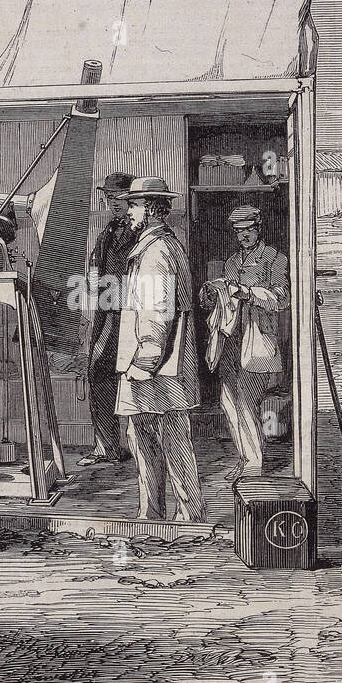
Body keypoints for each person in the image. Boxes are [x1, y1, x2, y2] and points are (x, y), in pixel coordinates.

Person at [113, 176, 205, 523]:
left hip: (155, 365)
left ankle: (183, 516)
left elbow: (157, 310)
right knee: (154, 437)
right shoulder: (162, 245)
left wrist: (145, 359)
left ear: (150, 209)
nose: (129, 212)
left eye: (134, 205)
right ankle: (158, 512)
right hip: (162, 364)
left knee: (161, 438)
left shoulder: (155, 251)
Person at [201, 205, 289, 481]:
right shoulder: (231, 263)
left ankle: (253, 462)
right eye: (239, 232)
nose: (243, 237)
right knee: (230, 404)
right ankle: (244, 457)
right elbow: (224, 300)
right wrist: (211, 295)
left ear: (258, 228)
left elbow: (281, 298)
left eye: (248, 230)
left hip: (257, 339)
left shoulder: (275, 259)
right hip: (230, 340)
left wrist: (247, 293)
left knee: (248, 403)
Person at [78, 172, 138, 467]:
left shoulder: (139, 232)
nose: (113, 202)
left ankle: (125, 448)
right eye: (109, 197)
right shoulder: (110, 230)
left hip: (129, 316)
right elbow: (94, 262)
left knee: (125, 378)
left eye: (119, 197)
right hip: (107, 313)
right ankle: (108, 447)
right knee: (99, 373)